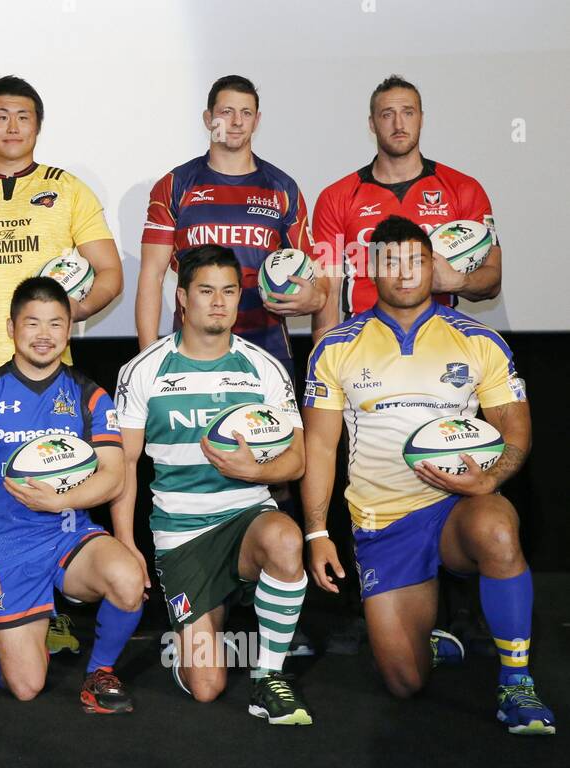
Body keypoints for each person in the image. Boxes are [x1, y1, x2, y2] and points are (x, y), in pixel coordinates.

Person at [301, 216, 553, 734]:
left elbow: (516, 431)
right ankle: (430, 641)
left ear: (432, 266)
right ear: (372, 267)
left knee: (499, 526)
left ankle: (517, 682)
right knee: (404, 681)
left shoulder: (479, 340)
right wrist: (317, 531)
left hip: (458, 507)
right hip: (383, 522)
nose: (405, 273)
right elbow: (321, 447)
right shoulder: (336, 347)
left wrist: (487, 480)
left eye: (416, 261)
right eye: (391, 261)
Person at [0, 74, 122, 655]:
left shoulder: (71, 190)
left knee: (48, 477)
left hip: (48, 372)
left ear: (38, 126)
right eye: (1, 116)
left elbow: (110, 275)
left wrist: (62, 315)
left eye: (24, 116)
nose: (12, 126)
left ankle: (49, 604)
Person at [115, 244, 313, 724]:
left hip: (247, 516)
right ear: (182, 297)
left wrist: (256, 472)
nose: (219, 302)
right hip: (182, 533)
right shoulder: (143, 370)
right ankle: (214, 603)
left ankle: (269, 677)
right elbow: (125, 465)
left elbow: (298, 461)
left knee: (286, 537)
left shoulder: (263, 367)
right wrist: (126, 543)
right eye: (206, 291)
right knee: (206, 688)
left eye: (229, 291)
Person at [0, 277, 147, 712]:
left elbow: (114, 475)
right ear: (10, 327)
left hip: (68, 536)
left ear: (70, 327)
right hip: (6, 546)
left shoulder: (88, 394)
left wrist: (60, 502)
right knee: (25, 686)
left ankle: (100, 672)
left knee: (128, 577)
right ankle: (17, 640)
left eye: (56, 323)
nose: (44, 335)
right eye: (32, 323)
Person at [135, 74, 326, 364]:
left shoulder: (282, 188)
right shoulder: (174, 185)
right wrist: (147, 358)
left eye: (246, 113)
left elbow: (317, 271)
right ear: (208, 118)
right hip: (192, 352)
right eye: (227, 112)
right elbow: (152, 275)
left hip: (267, 352)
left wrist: (315, 298)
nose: (237, 122)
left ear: (257, 120)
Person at [311, 75, 501, 341]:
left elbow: (492, 279)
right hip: (363, 345)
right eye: (387, 114)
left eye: (408, 113)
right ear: (372, 124)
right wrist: (323, 364)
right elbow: (328, 293)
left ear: (421, 118)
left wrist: (458, 282)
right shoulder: (336, 197)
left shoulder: (463, 189)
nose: (399, 124)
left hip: (440, 343)